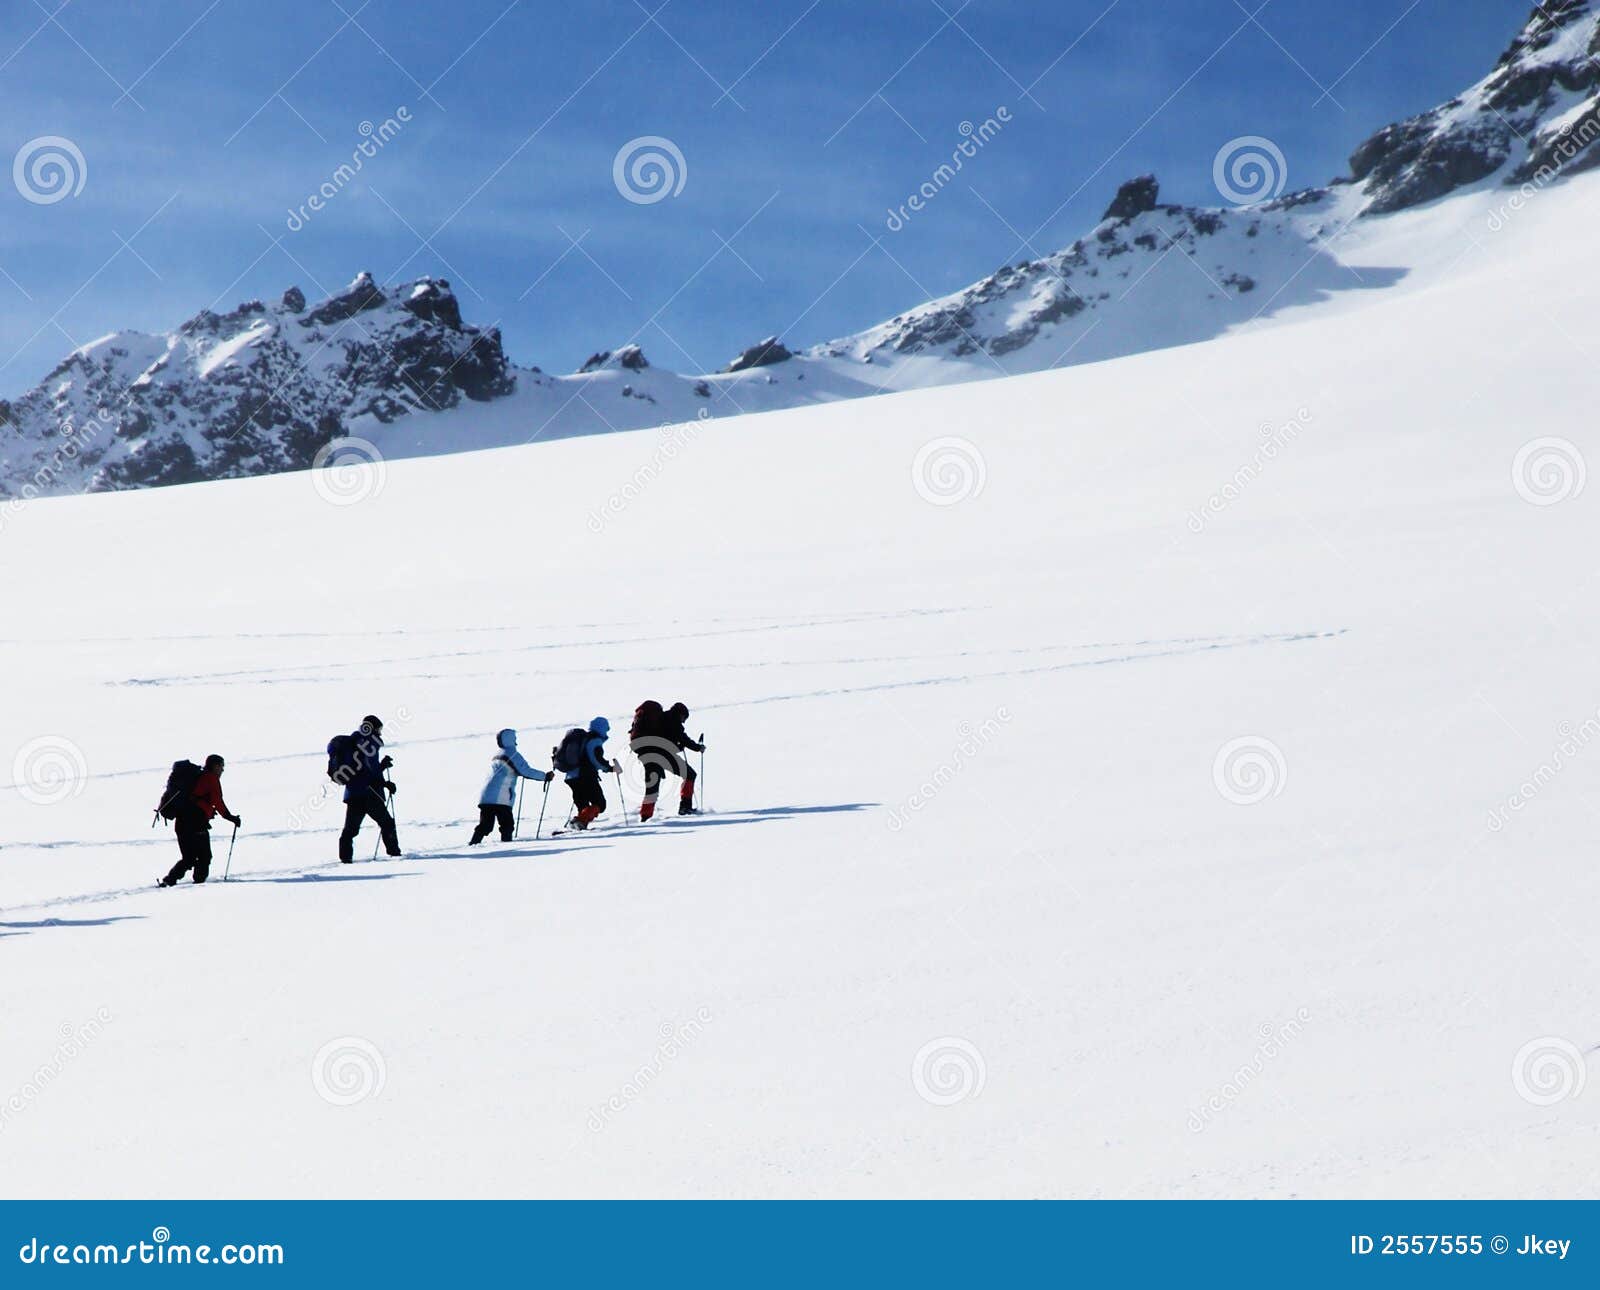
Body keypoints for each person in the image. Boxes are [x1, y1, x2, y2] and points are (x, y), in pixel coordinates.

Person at [159, 754, 241, 886]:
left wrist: (208, 810)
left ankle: (169, 880)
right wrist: (230, 818)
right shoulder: (210, 779)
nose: (222, 770)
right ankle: (199, 886)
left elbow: (200, 799)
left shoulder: (199, 777)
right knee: (204, 857)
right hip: (196, 824)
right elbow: (217, 801)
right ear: (215, 766)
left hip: (182, 822)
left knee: (189, 857)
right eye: (221, 766)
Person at [331, 714, 400, 863]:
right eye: (379, 729)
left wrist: (382, 766)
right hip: (370, 794)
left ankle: (346, 859)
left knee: (350, 830)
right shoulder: (370, 743)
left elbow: (361, 770)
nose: (380, 732)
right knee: (387, 823)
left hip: (353, 794)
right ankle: (395, 854)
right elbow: (370, 771)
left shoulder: (354, 742)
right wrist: (385, 783)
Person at [470, 728, 554, 844]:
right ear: (510, 739)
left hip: (486, 796)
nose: (516, 741)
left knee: (486, 825)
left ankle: (474, 843)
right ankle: (506, 846)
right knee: (507, 824)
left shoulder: (497, 754)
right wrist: (545, 776)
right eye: (514, 738)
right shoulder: (512, 754)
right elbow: (525, 771)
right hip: (501, 796)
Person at [631, 700, 705, 821]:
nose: (683, 721)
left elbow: (666, 739)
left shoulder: (661, 718)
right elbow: (682, 739)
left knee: (652, 787)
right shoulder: (673, 720)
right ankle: (685, 807)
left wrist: (678, 746)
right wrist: (698, 748)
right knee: (690, 774)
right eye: (684, 718)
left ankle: (645, 817)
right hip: (662, 755)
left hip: (647, 754)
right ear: (681, 714)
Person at [557, 716, 620, 830]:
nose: (607, 732)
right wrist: (609, 768)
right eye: (606, 729)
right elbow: (595, 759)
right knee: (600, 803)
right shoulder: (594, 740)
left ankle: (580, 825)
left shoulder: (583, 738)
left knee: (582, 803)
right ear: (602, 728)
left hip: (571, 776)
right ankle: (579, 821)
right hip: (585, 775)